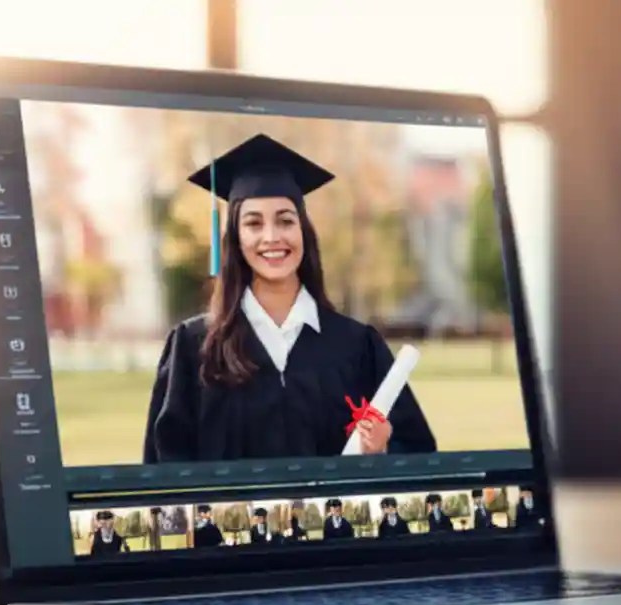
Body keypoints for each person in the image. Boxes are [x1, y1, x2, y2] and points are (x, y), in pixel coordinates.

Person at [142, 133, 437, 463]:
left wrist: (380, 450)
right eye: (254, 223)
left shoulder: (356, 347)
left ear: (304, 232)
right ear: (235, 240)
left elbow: (418, 453)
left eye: (285, 220)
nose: (272, 237)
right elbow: (164, 468)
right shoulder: (193, 348)